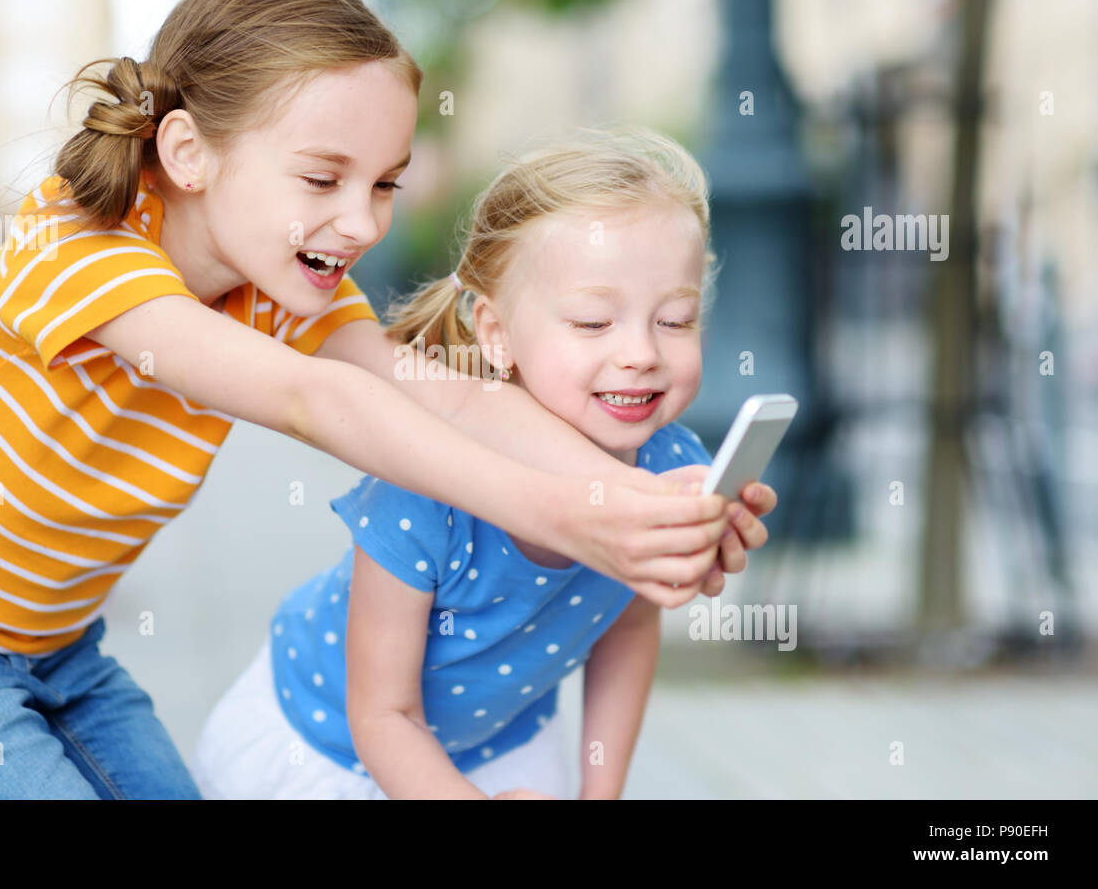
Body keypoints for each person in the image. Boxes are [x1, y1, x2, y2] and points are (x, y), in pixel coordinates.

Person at [0, 0, 761, 799]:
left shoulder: (283, 287)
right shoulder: (78, 249)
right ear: (188, 153)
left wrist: (641, 509)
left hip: (55, 645)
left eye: (384, 182)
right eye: (322, 178)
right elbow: (322, 401)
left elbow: (447, 394)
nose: (363, 223)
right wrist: (569, 517)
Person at [192, 128, 777, 800]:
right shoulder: (428, 487)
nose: (642, 353)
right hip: (326, 747)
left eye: (674, 320)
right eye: (593, 322)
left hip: (502, 741)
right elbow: (381, 715)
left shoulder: (673, 462)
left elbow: (628, 627)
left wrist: (601, 792)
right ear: (495, 335)